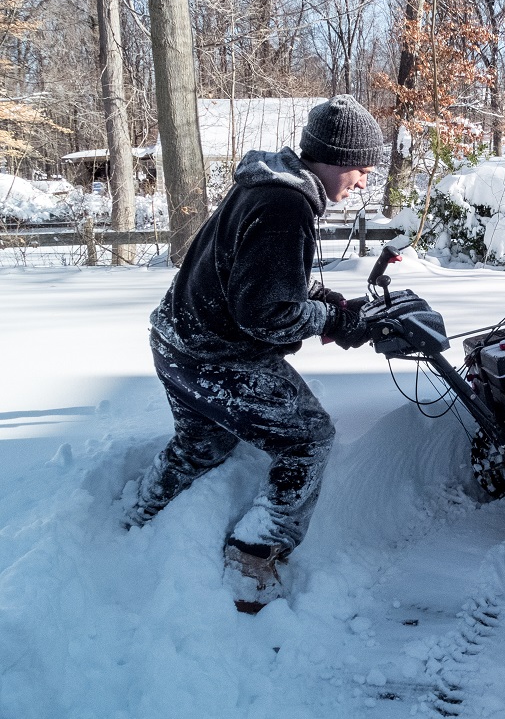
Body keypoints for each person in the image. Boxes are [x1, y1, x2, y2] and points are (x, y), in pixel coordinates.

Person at [124, 95, 383, 613]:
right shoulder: (285, 207)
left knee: (203, 443)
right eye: (359, 168)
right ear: (331, 158)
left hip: (176, 346)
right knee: (308, 439)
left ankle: (134, 520)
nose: (363, 181)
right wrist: (331, 319)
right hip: (217, 358)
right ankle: (252, 560)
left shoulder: (269, 187)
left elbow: (256, 279)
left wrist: (318, 301)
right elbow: (264, 315)